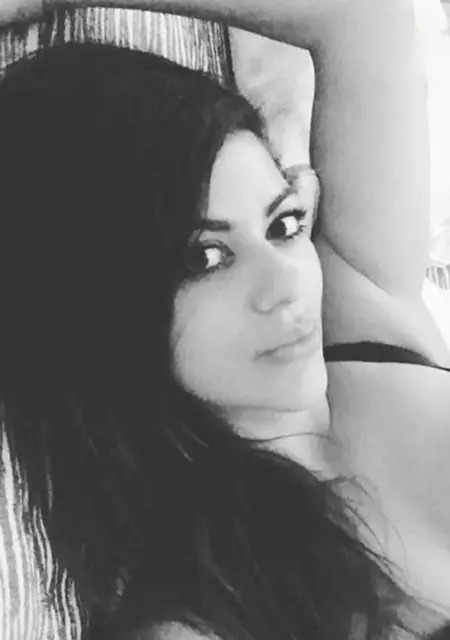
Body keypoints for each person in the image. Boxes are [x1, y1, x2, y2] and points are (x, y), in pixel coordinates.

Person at [0, 0, 450, 639]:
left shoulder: (361, 304)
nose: (286, 284)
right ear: (99, 306)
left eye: (283, 224)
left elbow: (363, 17)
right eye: (206, 258)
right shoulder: (198, 617)